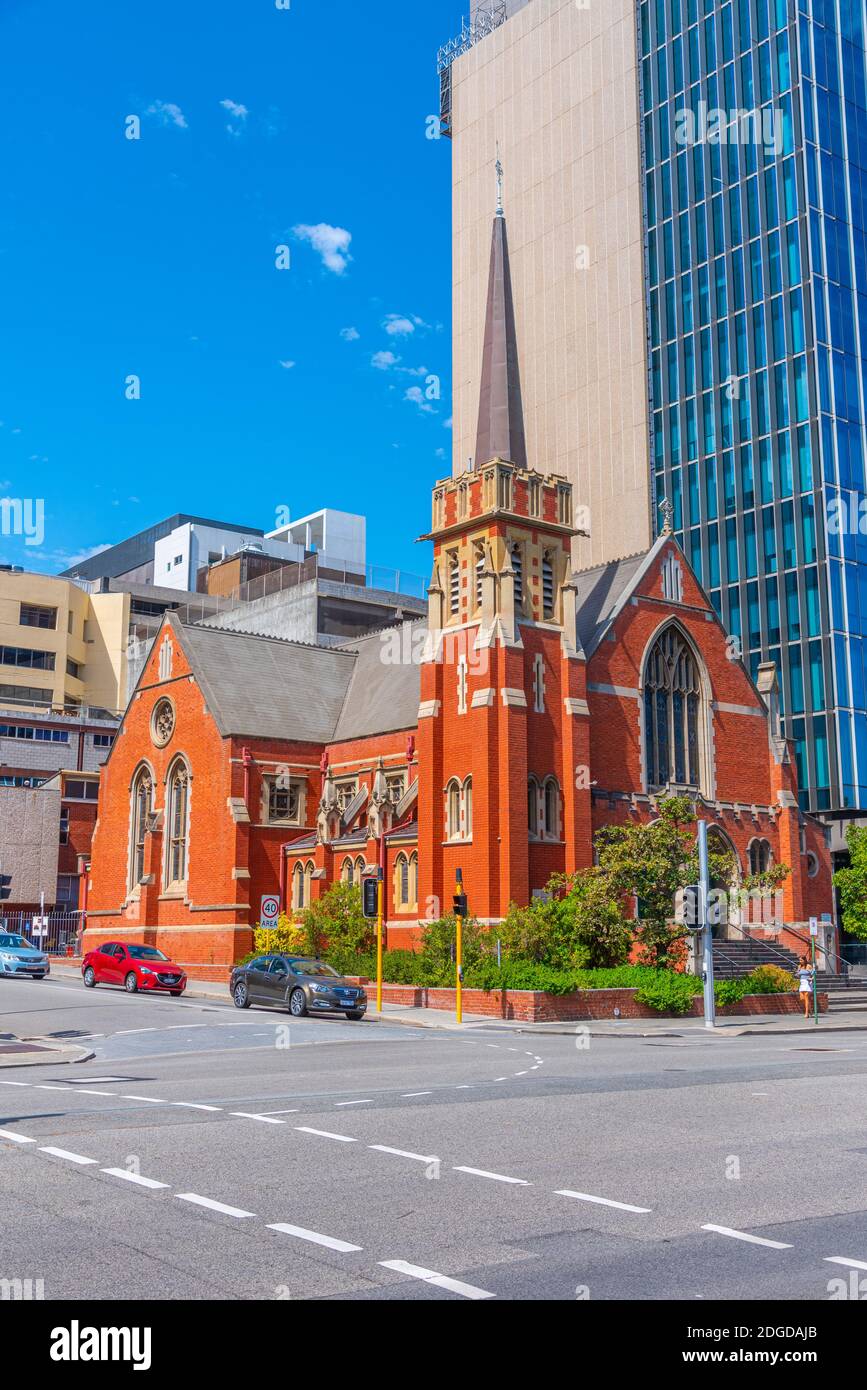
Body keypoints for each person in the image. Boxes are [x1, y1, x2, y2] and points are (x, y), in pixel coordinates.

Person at [797, 954, 815, 1019]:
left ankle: (806, 1013)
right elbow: (798, 975)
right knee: (802, 998)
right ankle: (811, 1011)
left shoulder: (808, 966)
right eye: (799, 960)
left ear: (804, 960)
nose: (800, 961)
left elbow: (814, 974)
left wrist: (811, 978)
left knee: (806, 998)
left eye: (801, 960)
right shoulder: (799, 966)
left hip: (807, 983)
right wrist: (797, 973)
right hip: (802, 983)